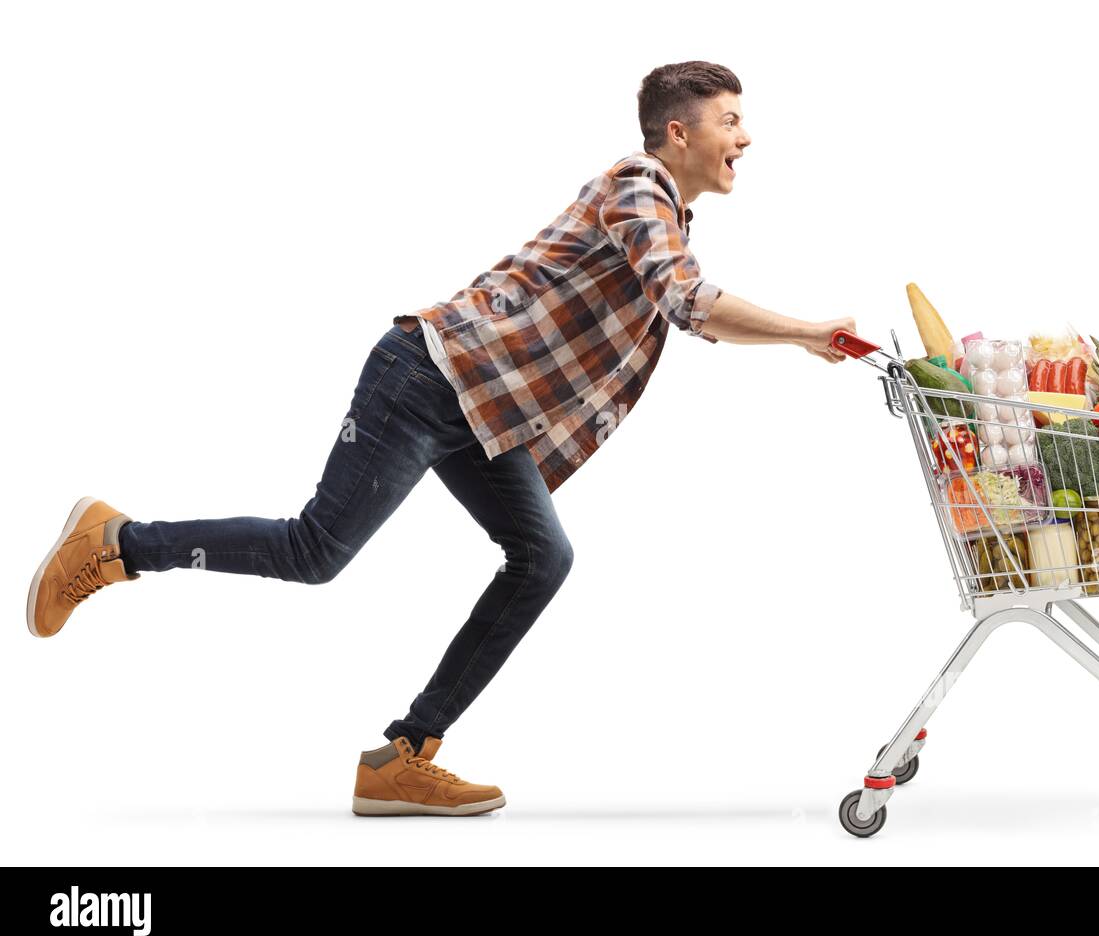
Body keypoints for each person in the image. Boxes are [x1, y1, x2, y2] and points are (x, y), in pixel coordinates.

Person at [25, 60, 858, 817]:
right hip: (429, 379)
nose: (745, 137)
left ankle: (405, 754)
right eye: (731, 120)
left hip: (485, 412)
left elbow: (676, 300)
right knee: (315, 552)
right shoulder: (641, 185)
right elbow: (686, 301)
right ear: (681, 132)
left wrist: (798, 337)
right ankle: (117, 542)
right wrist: (805, 331)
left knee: (542, 558)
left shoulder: (664, 210)